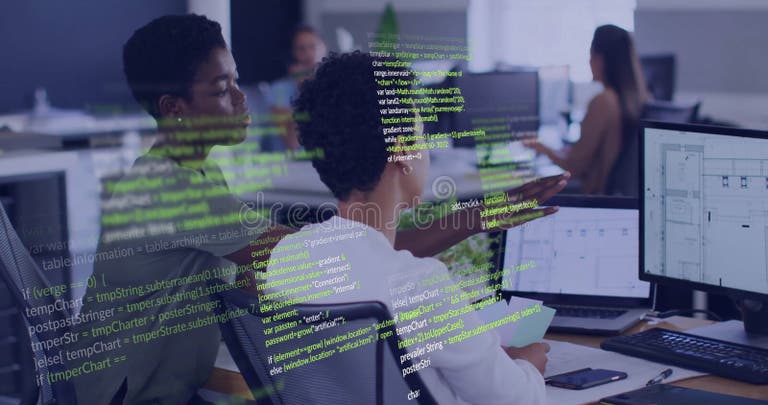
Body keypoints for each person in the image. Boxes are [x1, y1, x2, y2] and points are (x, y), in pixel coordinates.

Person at [68, 15, 566, 404]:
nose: (243, 99)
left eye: (237, 81)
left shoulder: (195, 175)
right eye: (222, 89)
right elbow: (351, 255)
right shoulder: (170, 191)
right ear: (174, 107)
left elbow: (342, 256)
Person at [263, 52, 568, 404]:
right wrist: (529, 365)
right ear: (403, 151)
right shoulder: (418, 285)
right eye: (422, 135)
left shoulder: (287, 258)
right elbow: (518, 400)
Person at [525, 24, 647, 195]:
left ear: (601, 59)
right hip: (620, 200)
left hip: (596, 199)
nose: (589, 61)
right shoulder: (639, 98)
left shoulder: (603, 102)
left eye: (591, 54)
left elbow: (573, 168)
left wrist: (542, 149)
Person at [267, 26, 327, 151]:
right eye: (301, 49)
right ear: (293, 53)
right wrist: (303, 90)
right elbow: (292, 142)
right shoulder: (279, 90)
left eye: (313, 46)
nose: (308, 54)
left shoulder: (332, 86)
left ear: (324, 48)